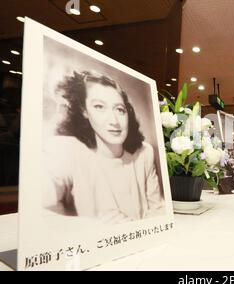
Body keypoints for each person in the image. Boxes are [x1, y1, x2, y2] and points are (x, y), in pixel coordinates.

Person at [43, 71, 164, 224]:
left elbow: (158, 210)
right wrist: (95, 227)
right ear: (84, 111)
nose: (114, 120)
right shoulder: (69, 151)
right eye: (99, 107)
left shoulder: (144, 153)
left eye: (119, 109)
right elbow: (40, 213)